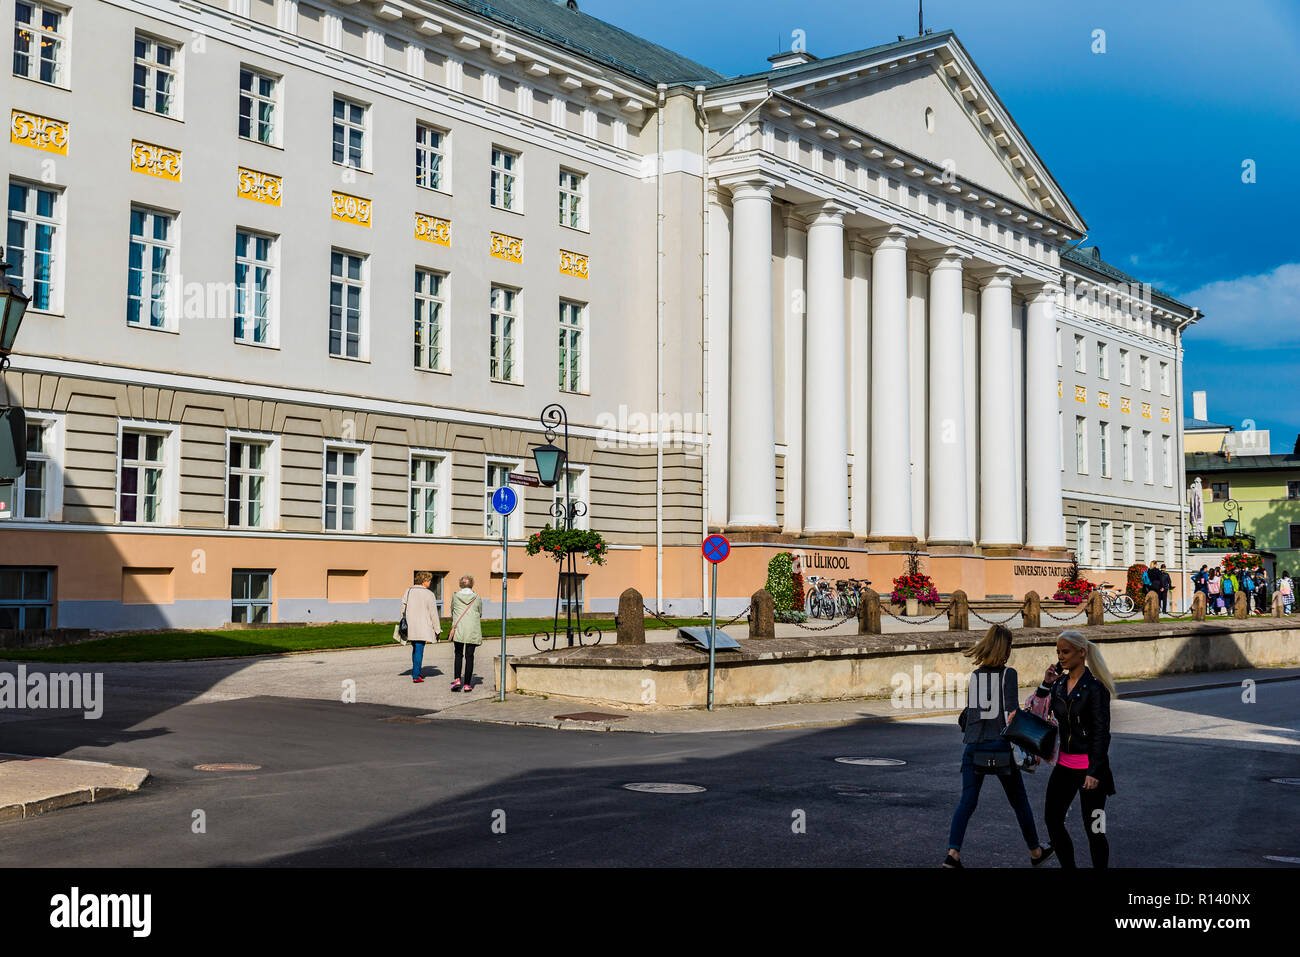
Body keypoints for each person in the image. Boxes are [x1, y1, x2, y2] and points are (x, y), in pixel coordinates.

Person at [943, 624, 1053, 869]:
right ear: (1006, 648)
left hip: (974, 747)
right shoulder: (1009, 674)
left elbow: (973, 714)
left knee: (967, 801)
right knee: (1019, 801)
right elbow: (1010, 714)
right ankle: (1036, 852)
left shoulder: (976, 676)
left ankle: (953, 854)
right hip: (1000, 747)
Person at [1036, 630, 1117, 868]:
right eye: (1058, 652)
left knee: (1095, 829)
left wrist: (1094, 771)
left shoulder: (1095, 689)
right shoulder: (1059, 685)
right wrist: (1045, 684)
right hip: (1064, 766)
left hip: (1092, 772)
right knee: (1052, 820)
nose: (1061, 656)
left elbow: (1103, 734)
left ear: (1082, 653)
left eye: (1066, 651)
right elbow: (1039, 713)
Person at [402, 571, 442, 684]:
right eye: (429, 580)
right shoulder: (429, 594)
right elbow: (433, 614)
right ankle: (416, 675)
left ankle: (416, 671)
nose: (430, 582)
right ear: (424, 581)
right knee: (419, 650)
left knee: (415, 649)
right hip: (422, 626)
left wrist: (402, 623)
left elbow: (403, 608)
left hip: (410, 626)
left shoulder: (408, 591)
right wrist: (437, 629)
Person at [447, 575, 484, 692]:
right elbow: (480, 613)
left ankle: (457, 679)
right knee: (470, 657)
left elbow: (452, 611)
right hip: (472, 631)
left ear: (460, 585)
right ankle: (467, 684)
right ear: (472, 584)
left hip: (458, 630)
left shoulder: (455, 596)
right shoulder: (477, 598)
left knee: (458, 655)